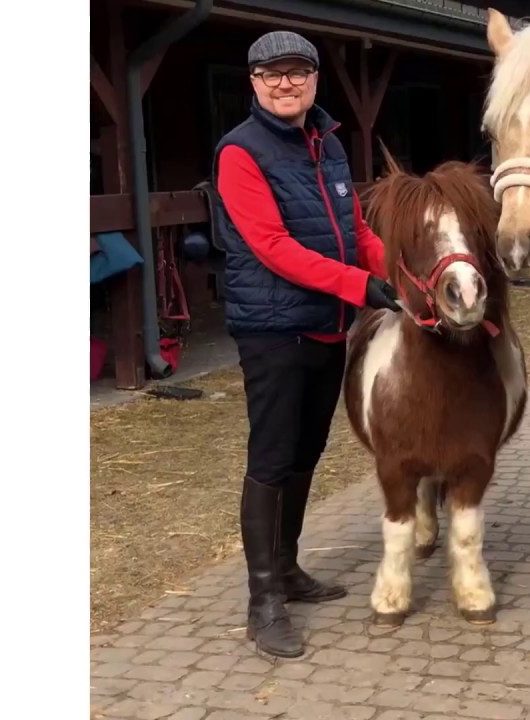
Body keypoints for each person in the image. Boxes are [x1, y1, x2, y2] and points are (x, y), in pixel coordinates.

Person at [212, 30, 402, 659]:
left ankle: (288, 569)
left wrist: (400, 274)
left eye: (296, 72)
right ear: (254, 84)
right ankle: (262, 601)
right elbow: (271, 246)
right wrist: (360, 285)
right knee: (271, 457)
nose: (285, 83)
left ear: (315, 78)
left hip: (326, 323)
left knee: (305, 452)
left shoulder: (329, 145)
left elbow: (354, 228)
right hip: (273, 329)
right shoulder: (240, 152)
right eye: (272, 75)